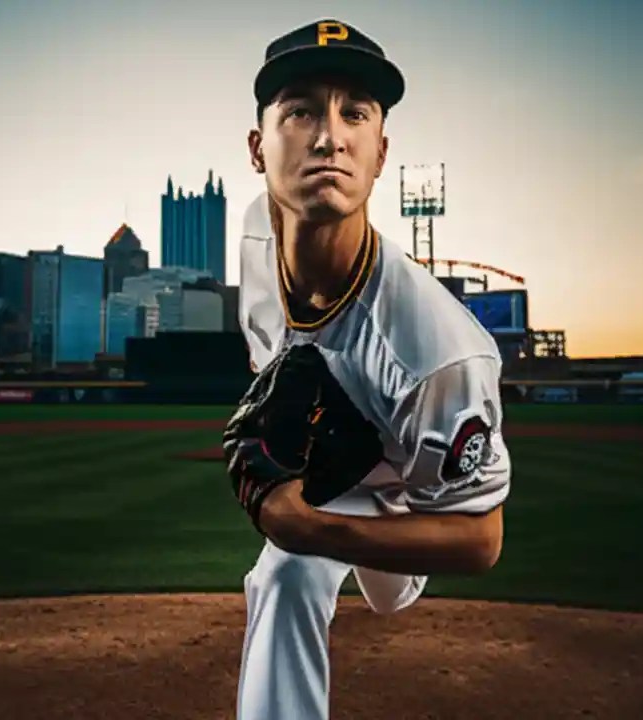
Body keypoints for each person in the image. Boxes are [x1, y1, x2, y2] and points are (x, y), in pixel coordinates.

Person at [233, 18, 512, 720]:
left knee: (349, 569)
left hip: (407, 497)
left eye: (354, 112)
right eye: (300, 109)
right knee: (287, 574)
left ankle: (362, 556)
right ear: (258, 148)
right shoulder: (255, 230)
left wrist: (316, 527)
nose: (329, 137)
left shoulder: (438, 351)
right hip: (335, 471)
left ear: (381, 152)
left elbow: (480, 540)